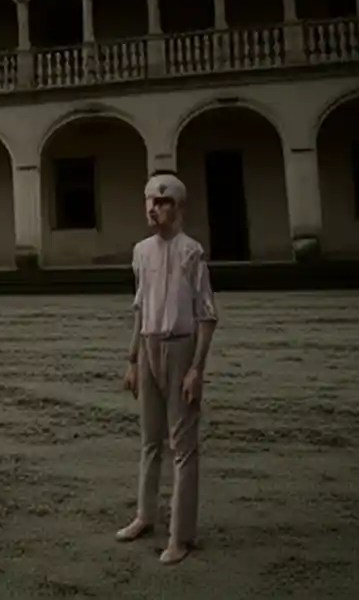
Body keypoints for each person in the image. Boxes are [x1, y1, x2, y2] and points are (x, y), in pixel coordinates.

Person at [115, 171, 218, 565]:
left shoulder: (192, 252)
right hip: (149, 347)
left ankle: (182, 535)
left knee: (183, 447)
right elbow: (139, 308)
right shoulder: (141, 251)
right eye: (150, 201)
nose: (154, 208)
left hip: (180, 349)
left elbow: (207, 315)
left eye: (163, 201)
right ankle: (145, 515)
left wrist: (197, 368)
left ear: (178, 207)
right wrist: (132, 360)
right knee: (149, 440)